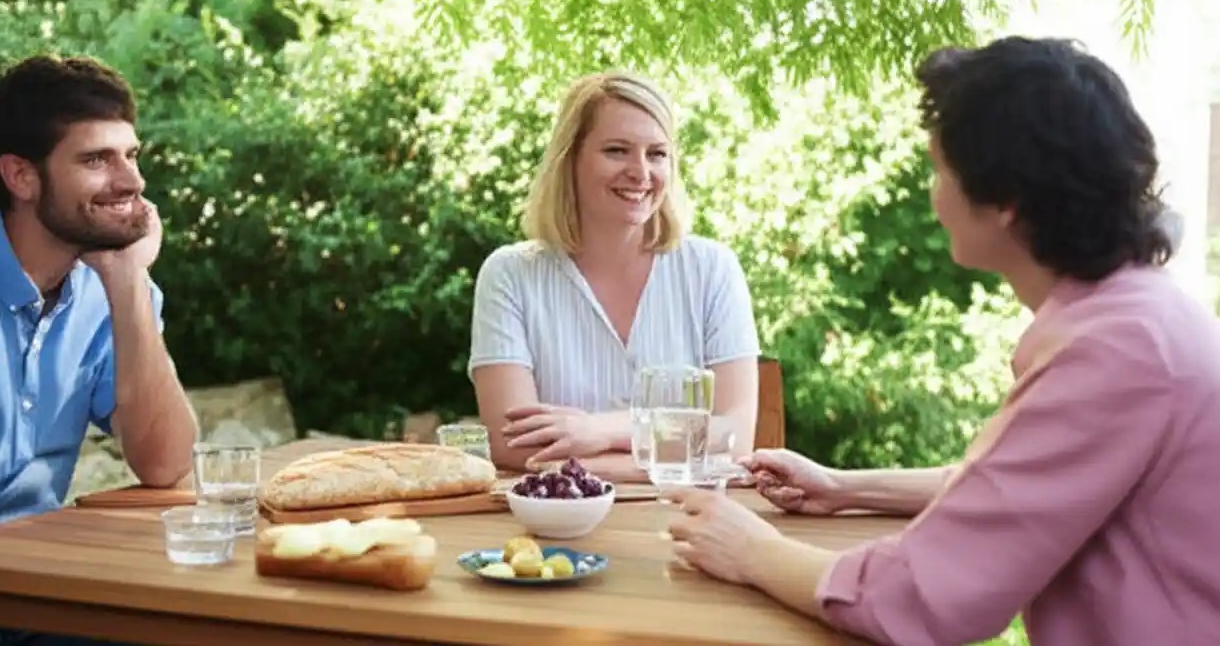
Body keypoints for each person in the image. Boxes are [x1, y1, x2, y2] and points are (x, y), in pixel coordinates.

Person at [663, 36, 1220, 645]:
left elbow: (921, 598)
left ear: (1005, 201)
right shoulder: (1137, 317)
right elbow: (1014, 490)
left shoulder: (1119, 350)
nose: (933, 194)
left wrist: (752, 550)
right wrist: (843, 488)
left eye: (941, 170)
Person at [0, 55, 198, 645]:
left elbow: (165, 464)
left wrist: (128, 281)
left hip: (40, 591)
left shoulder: (112, 288)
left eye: (131, 155)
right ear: (21, 176)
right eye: (96, 159)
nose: (131, 182)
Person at [468, 71, 761, 480]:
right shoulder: (510, 275)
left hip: (688, 516)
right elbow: (515, 447)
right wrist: (680, 455)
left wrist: (600, 431)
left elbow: (733, 437)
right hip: (562, 519)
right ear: (569, 159)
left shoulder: (713, 269)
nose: (640, 172)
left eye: (656, 154)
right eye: (617, 150)